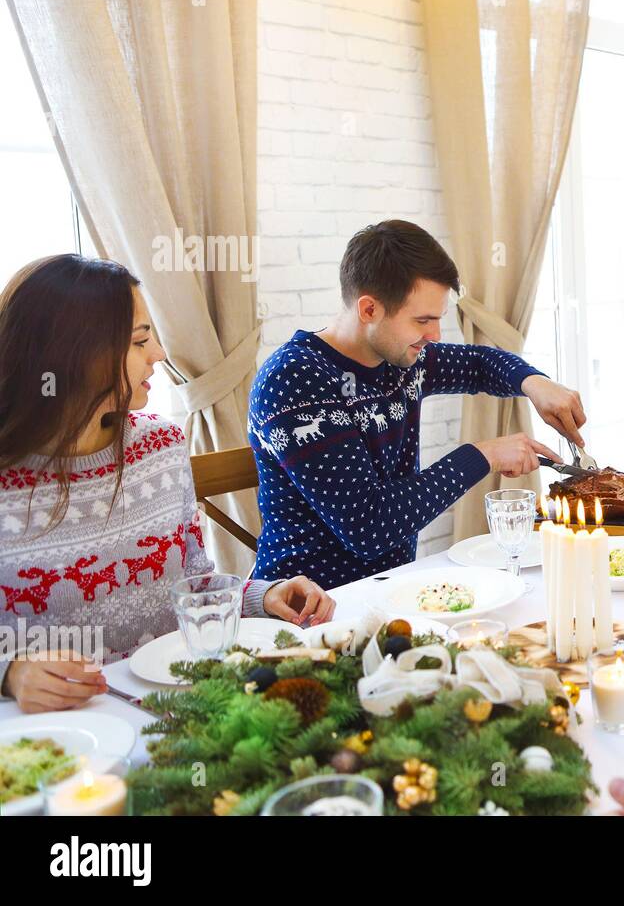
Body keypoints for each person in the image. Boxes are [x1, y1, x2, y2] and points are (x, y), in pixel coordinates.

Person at [0, 256, 333, 713]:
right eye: (140, 341)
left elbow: (193, 582)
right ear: (72, 355)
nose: (158, 353)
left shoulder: (160, 443)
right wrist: (12, 673)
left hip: (181, 706)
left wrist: (261, 596)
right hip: (63, 735)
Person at [249, 220, 581, 588]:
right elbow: (369, 528)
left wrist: (535, 383)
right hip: (313, 610)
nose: (434, 336)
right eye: (422, 320)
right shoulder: (294, 380)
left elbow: (480, 364)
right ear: (369, 309)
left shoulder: (405, 360)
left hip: (394, 590)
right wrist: (483, 456)